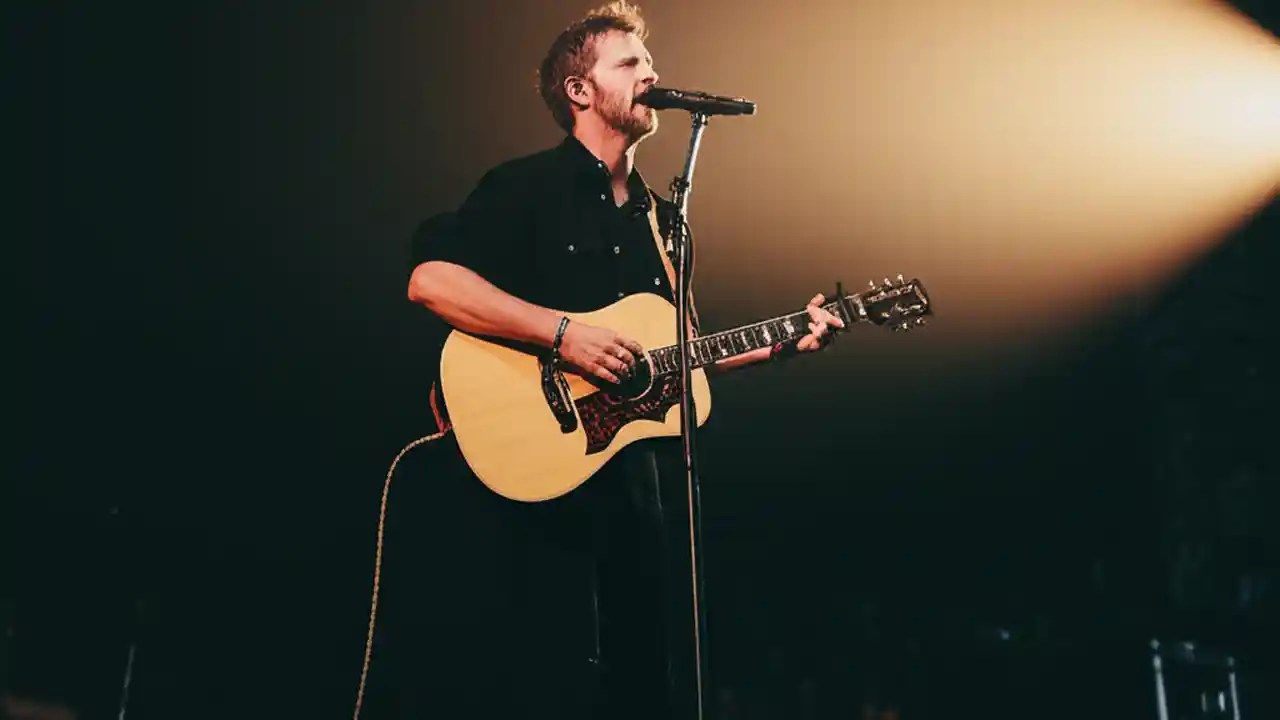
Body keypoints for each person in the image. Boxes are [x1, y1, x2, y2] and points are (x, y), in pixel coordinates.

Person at [384, 2, 843, 718]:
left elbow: (677, 359)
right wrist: (563, 335)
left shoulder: (664, 222)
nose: (650, 73)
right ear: (579, 90)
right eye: (628, 63)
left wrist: (781, 342)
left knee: (638, 685)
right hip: (537, 486)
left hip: (633, 490)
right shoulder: (525, 186)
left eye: (649, 62)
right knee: (544, 680)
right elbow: (431, 282)